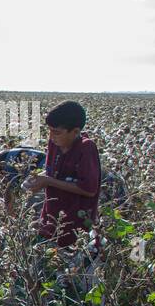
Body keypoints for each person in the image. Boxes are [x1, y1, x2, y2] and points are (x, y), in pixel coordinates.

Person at [24, 101, 100, 248]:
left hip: (77, 228)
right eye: (50, 131)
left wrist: (48, 181)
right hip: (49, 220)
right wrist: (37, 179)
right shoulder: (54, 144)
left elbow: (89, 189)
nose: (52, 136)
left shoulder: (86, 148)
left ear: (76, 132)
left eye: (57, 132)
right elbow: (53, 172)